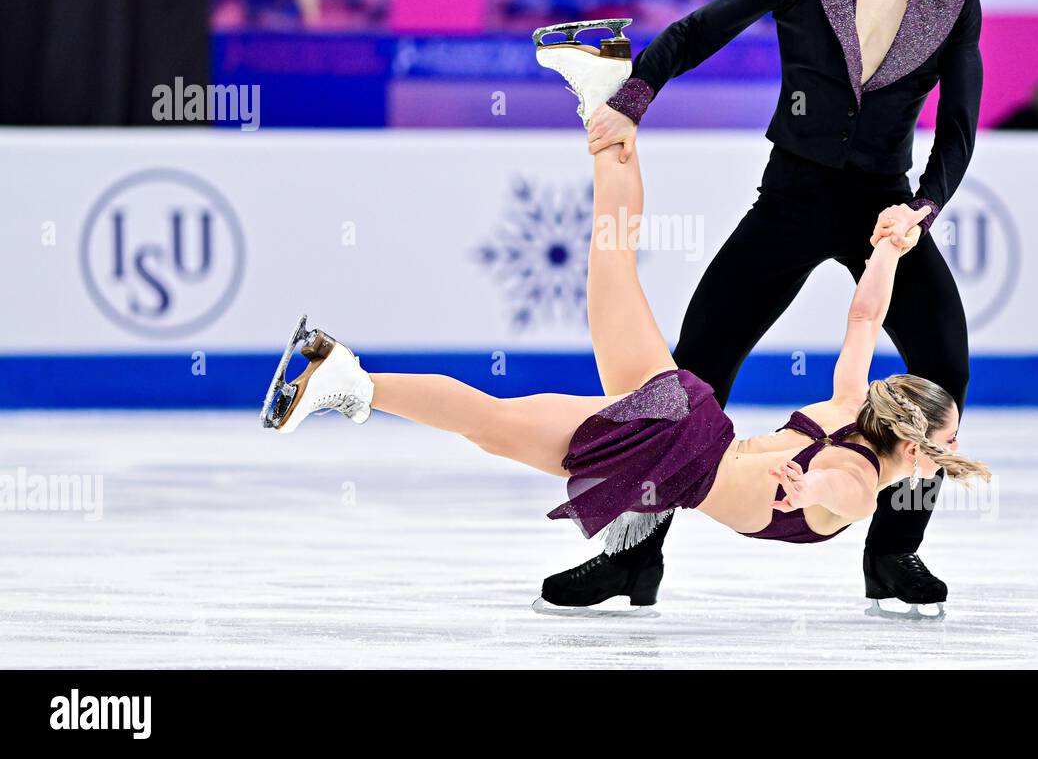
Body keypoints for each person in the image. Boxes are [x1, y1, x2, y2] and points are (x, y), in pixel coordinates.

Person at [258, 134, 990, 613]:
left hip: (689, 420)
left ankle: (605, 92)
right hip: (671, 450)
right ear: (918, 447)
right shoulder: (860, 484)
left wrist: (889, 254)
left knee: (608, 263)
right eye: (946, 439)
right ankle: (349, 382)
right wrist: (807, 486)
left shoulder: (847, 404)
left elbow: (864, 322)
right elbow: (840, 491)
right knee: (494, 423)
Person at [542, 0, 983, 611]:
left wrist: (921, 208)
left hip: (882, 203)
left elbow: (959, 128)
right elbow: (701, 28)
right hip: (792, 197)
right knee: (694, 372)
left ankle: (893, 556)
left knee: (942, 374)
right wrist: (635, 95)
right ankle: (632, 555)